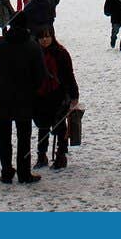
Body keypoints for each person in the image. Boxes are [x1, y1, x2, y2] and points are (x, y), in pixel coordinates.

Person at [0, 14, 45, 183]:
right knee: (24, 137)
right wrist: (33, 91)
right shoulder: (32, 46)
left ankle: (7, 172)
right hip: (25, 99)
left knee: (4, 136)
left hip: (1, 97)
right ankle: (24, 173)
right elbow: (41, 75)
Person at [33, 23, 79, 169]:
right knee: (43, 126)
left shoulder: (61, 53)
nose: (45, 40)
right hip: (40, 96)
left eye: (47, 36)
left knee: (60, 126)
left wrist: (74, 95)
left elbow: (68, 75)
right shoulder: (34, 53)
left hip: (58, 95)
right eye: (41, 37)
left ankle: (61, 154)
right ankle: (41, 154)